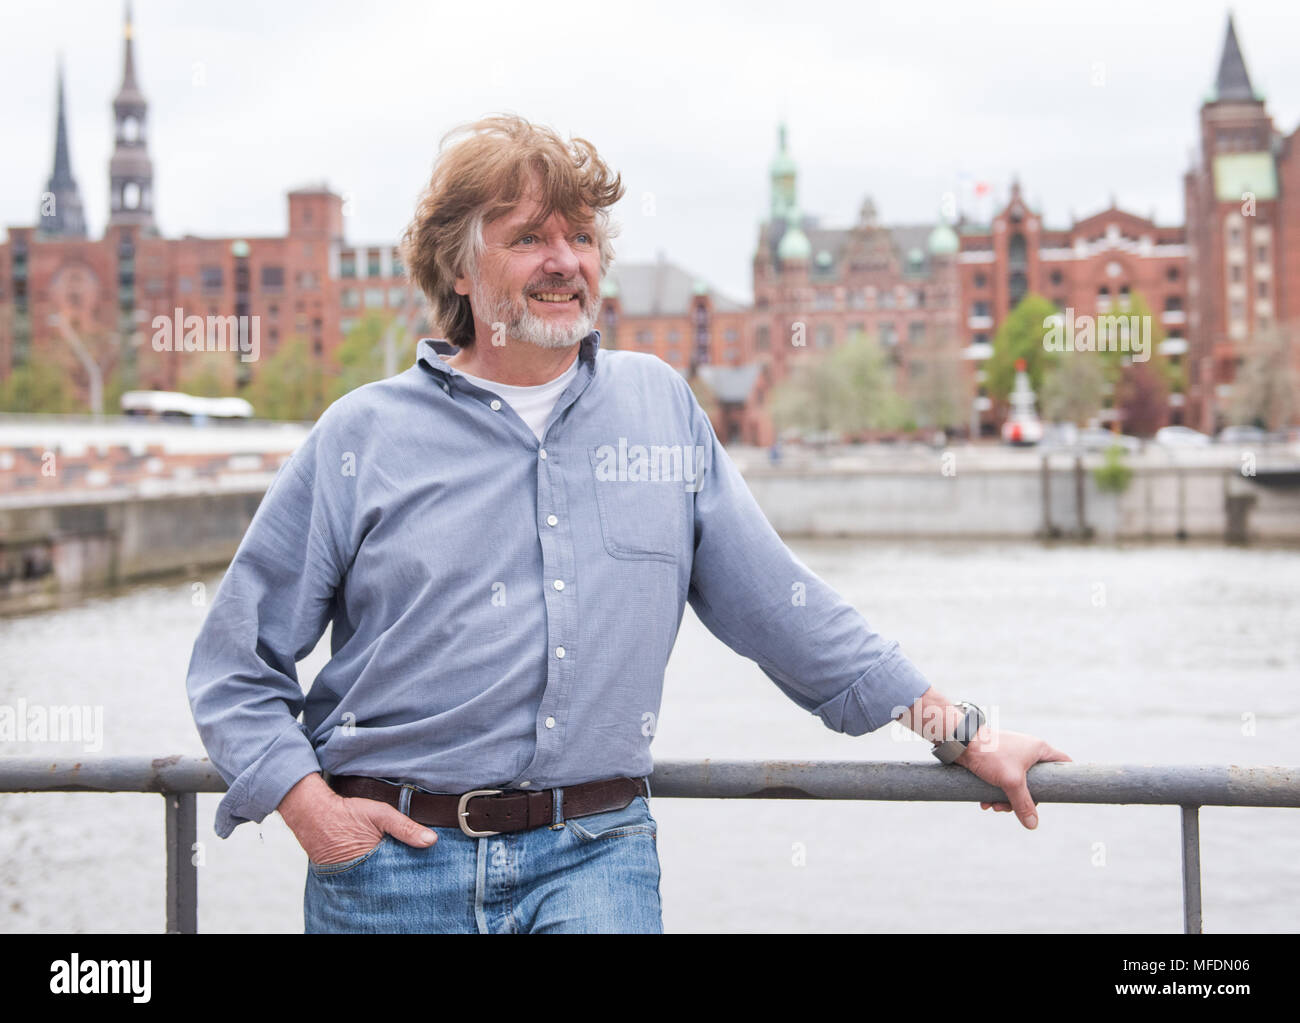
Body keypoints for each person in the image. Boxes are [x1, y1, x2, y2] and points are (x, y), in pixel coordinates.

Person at [185, 114, 1069, 934]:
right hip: (389, 870)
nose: (564, 260)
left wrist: (966, 734)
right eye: (527, 237)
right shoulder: (361, 435)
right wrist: (311, 810)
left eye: (580, 236)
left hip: (594, 861)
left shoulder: (660, 410)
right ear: (459, 268)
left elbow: (787, 610)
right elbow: (234, 663)